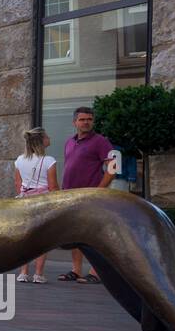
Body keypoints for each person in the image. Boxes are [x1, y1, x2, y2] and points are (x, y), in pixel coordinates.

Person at [59, 106, 113, 283]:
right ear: (74, 122)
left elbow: (113, 168)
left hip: (90, 197)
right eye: (82, 119)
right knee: (75, 236)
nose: (86, 122)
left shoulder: (101, 141)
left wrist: (99, 191)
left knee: (93, 236)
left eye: (89, 119)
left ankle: (96, 272)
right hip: (70, 196)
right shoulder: (69, 142)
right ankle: (76, 270)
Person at [14, 127, 58, 283]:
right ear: (42, 141)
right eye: (47, 136)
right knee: (42, 238)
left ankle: (23, 272)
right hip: (43, 201)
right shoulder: (49, 161)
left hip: (25, 200)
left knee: (25, 237)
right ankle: (38, 274)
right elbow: (53, 186)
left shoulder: (19, 160)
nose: (49, 138)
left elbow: (18, 184)